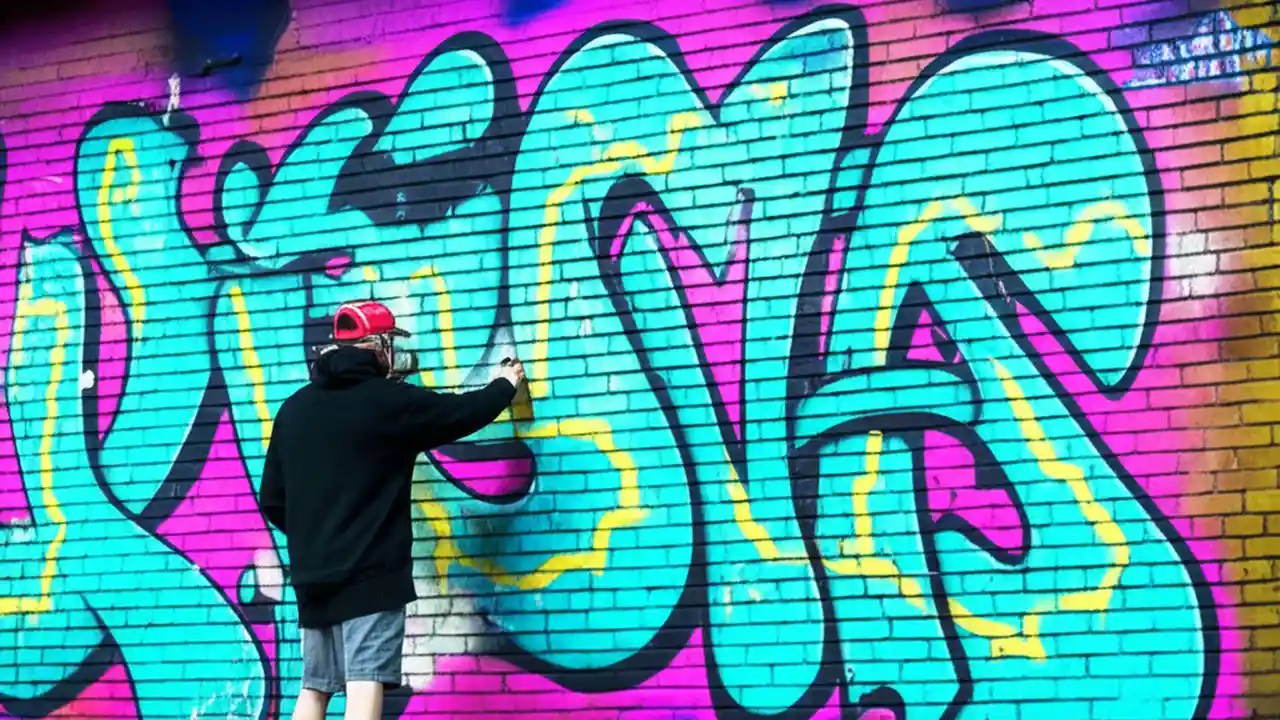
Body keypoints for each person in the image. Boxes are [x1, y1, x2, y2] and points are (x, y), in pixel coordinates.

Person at [260, 300, 524, 720]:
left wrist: (315, 538)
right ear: (381, 344)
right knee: (364, 681)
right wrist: (505, 384)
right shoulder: (387, 401)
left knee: (314, 689)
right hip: (370, 575)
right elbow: (459, 414)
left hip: (313, 578)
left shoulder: (294, 409)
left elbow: (271, 498)